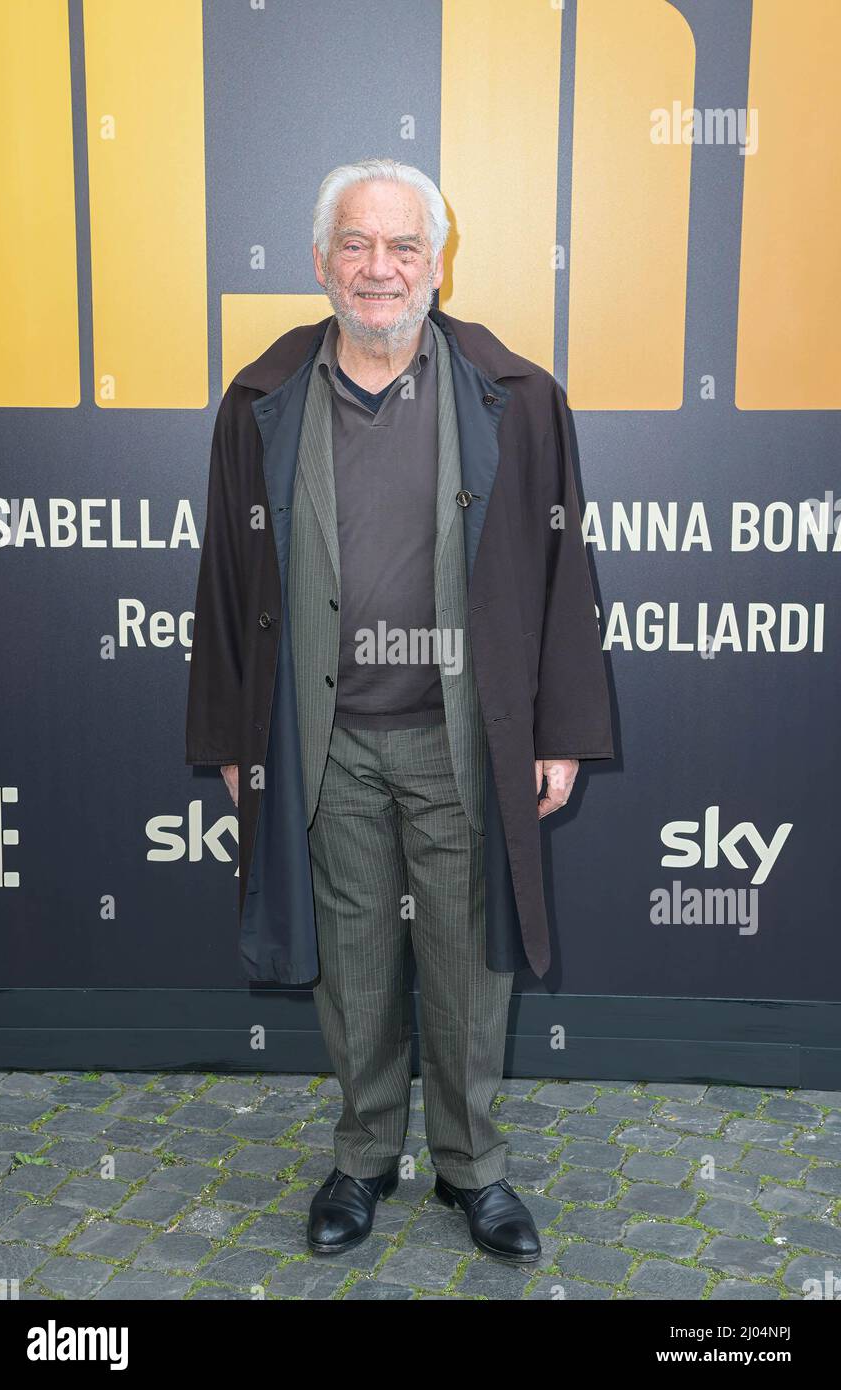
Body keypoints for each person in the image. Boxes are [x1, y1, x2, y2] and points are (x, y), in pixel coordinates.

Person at [185, 157, 615, 1264]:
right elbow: (227, 585)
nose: (381, 269)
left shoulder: (515, 396)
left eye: (403, 247)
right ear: (322, 261)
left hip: (462, 735)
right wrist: (238, 741)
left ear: (439, 259)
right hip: (322, 738)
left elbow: (565, 573)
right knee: (356, 960)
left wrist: (562, 728)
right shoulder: (263, 399)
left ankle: (473, 1169)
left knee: (474, 966)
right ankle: (366, 1154)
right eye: (358, 247)